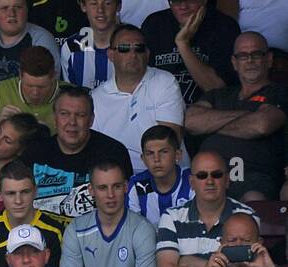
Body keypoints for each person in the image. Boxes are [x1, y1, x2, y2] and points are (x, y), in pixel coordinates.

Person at [185, 32, 285, 201]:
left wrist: (211, 123)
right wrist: (248, 116)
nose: (250, 61)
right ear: (234, 62)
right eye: (243, 56)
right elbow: (191, 121)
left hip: (253, 179)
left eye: (256, 54)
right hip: (205, 177)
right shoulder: (219, 94)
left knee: (254, 199)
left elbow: (261, 125)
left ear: (269, 59)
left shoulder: (279, 93)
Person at [22, 85, 132, 220]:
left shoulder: (113, 153)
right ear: (54, 119)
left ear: (91, 120)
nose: (72, 122)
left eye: (80, 115)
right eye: (64, 114)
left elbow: (126, 206)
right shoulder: (34, 153)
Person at [90, 25, 184, 173]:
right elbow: (96, 150)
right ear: (111, 55)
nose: (132, 54)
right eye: (124, 48)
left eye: (138, 48)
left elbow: (170, 140)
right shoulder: (96, 98)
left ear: (147, 53)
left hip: (163, 174)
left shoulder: (164, 81)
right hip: (119, 181)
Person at [0, 159, 66, 267]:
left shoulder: (54, 231)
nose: (18, 201)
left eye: (25, 192)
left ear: (35, 191)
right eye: (11, 193)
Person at [140, 0, 237, 105]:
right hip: (158, 110)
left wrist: (183, 44)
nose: (183, 6)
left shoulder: (224, 26)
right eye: (176, 1)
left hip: (205, 112)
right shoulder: (154, 24)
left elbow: (217, 90)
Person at [0, 45, 62, 143]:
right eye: (29, 86)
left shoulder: (70, 95)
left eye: (42, 87)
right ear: (20, 75)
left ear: (54, 76)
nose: (35, 93)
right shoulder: (3, 90)